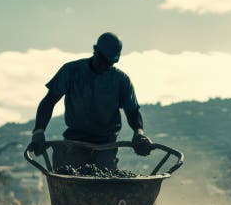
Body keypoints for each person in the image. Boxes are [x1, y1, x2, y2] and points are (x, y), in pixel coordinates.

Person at [28, 32, 153, 169]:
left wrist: (138, 133)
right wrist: (38, 131)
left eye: (109, 62)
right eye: (102, 60)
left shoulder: (121, 81)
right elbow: (49, 101)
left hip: (106, 145)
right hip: (75, 142)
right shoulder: (71, 71)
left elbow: (132, 111)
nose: (104, 65)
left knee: (104, 180)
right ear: (95, 50)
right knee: (70, 175)